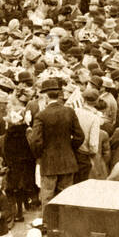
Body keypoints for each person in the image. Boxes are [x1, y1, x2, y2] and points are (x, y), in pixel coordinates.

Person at [30, 77, 83, 207]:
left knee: (47, 198)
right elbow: (80, 136)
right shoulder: (69, 112)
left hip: (49, 163)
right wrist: (69, 148)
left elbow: (35, 141)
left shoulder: (41, 115)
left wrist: (40, 154)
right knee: (66, 198)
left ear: (46, 97)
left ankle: (48, 225)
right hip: (67, 161)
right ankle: (64, 225)